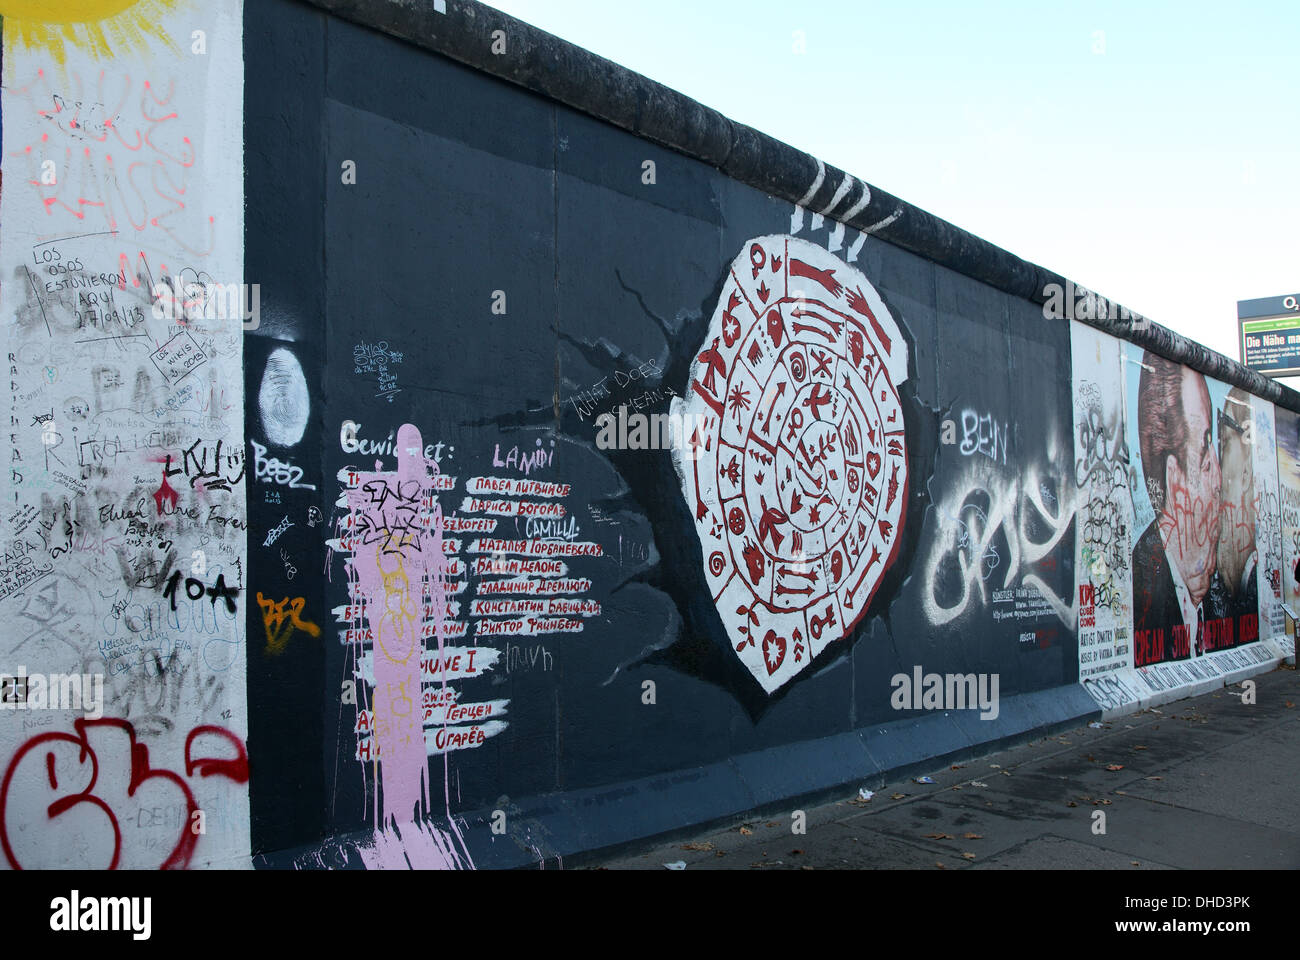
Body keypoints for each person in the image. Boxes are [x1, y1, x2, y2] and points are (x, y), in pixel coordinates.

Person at [1131, 353, 1221, 665]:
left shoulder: (1218, 594)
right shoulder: (1141, 597)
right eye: (1206, 449)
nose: (1219, 479)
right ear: (1174, 477)